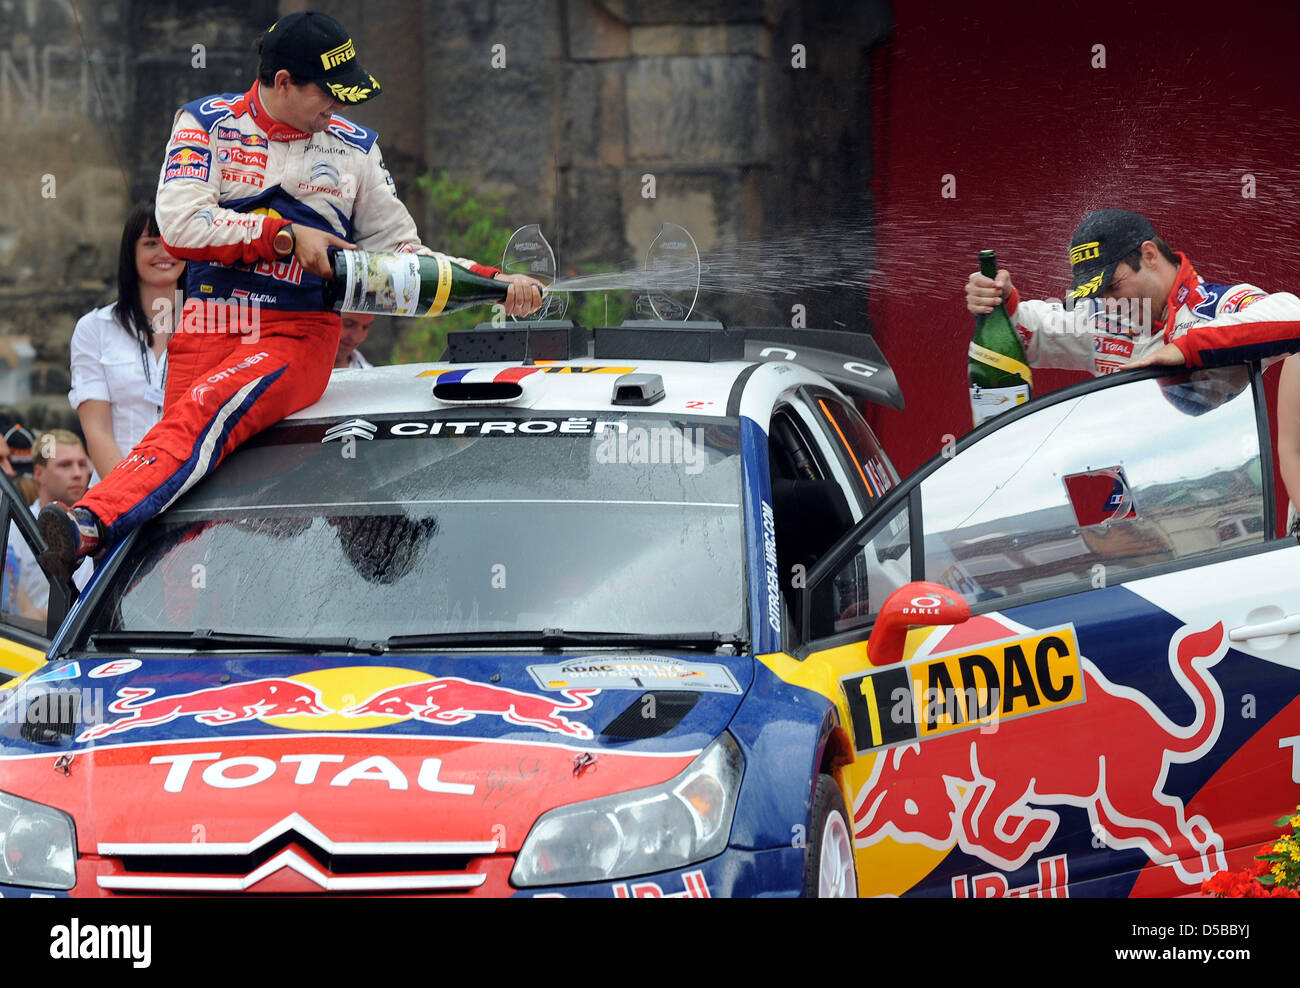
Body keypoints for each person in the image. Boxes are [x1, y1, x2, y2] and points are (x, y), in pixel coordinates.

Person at [37, 10, 543, 581]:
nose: (340, 108)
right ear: (282, 82)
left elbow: (402, 253)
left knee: (204, 415)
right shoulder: (205, 123)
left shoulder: (357, 149)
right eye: (329, 94)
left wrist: (495, 283)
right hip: (206, 323)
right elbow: (178, 224)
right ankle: (141, 623)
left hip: (297, 331)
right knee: (184, 491)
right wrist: (281, 236)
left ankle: (90, 522)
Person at [965, 209, 1300, 376]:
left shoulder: (1218, 307)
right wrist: (998, 301)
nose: (1106, 301)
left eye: (1113, 286)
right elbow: (1027, 334)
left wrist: (1187, 349)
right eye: (1097, 293)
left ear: (1150, 256)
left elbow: (1293, 315)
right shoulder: (1103, 319)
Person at [69, 203, 185, 480]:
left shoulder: (208, 325)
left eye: (174, 241)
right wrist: (128, 498)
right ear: (130, 253)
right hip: (116, 494)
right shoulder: (94, 329)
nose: (165, 253)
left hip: (187, 497)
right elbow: (97, 430)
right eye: (151, 243)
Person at [8, 431, 93, 621]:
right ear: (39, 473)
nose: (78, 474)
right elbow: (10, 609)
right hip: (32, 643)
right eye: (65, 465)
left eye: (82, 464)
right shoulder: (14, 526)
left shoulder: (100, 524)